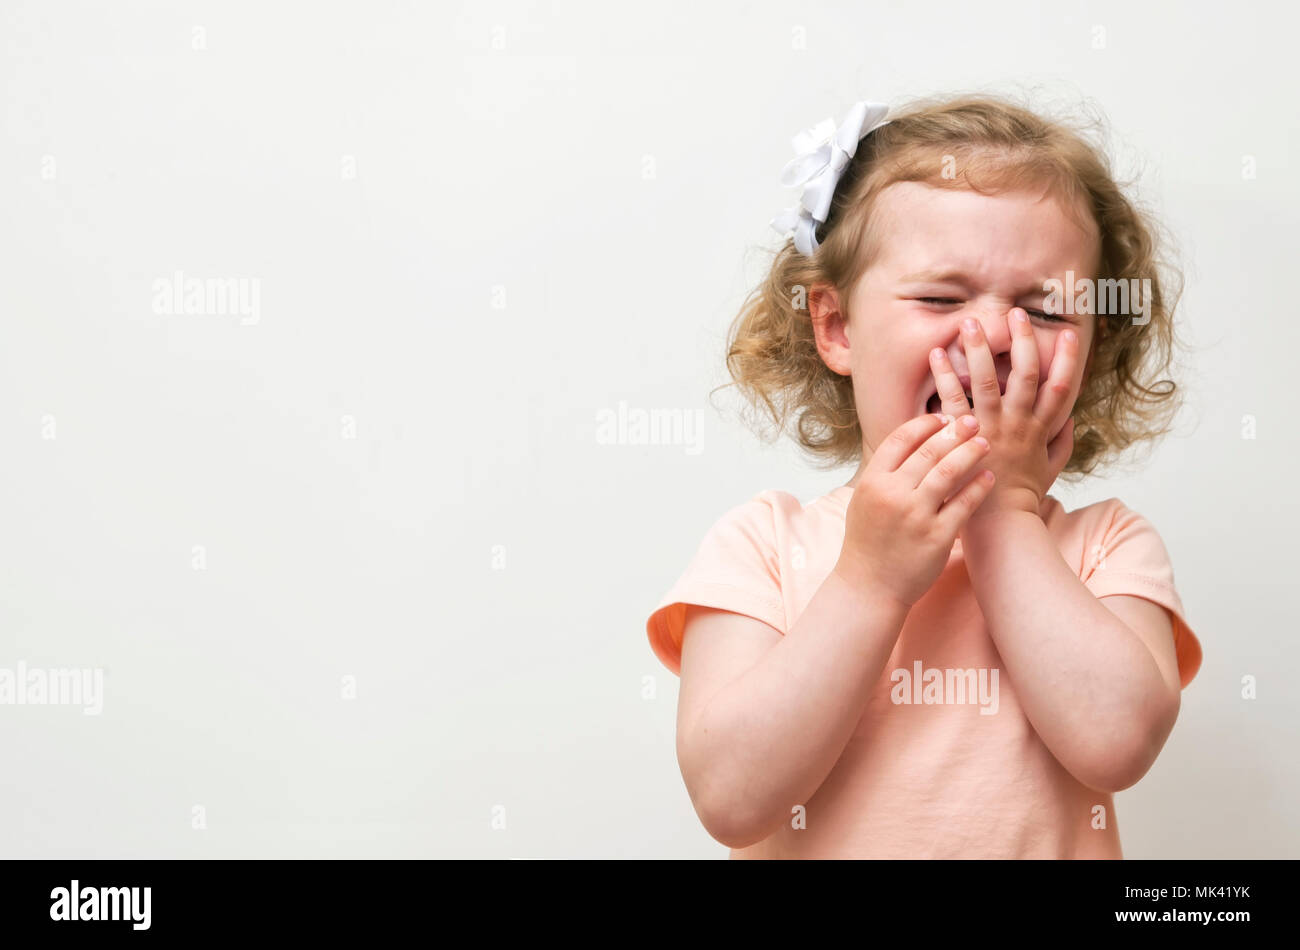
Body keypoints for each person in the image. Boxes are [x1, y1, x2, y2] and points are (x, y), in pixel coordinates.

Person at [645, 93, 1203, 859]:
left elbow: (1117, 743)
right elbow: (732, 798)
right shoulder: (764, 547)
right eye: (942, 297)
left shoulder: (1107, 547)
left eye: (1045, 310)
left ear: (1093, 346)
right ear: (837, 327)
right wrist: (869, 581)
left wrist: (1008, 515)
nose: (996, 336)